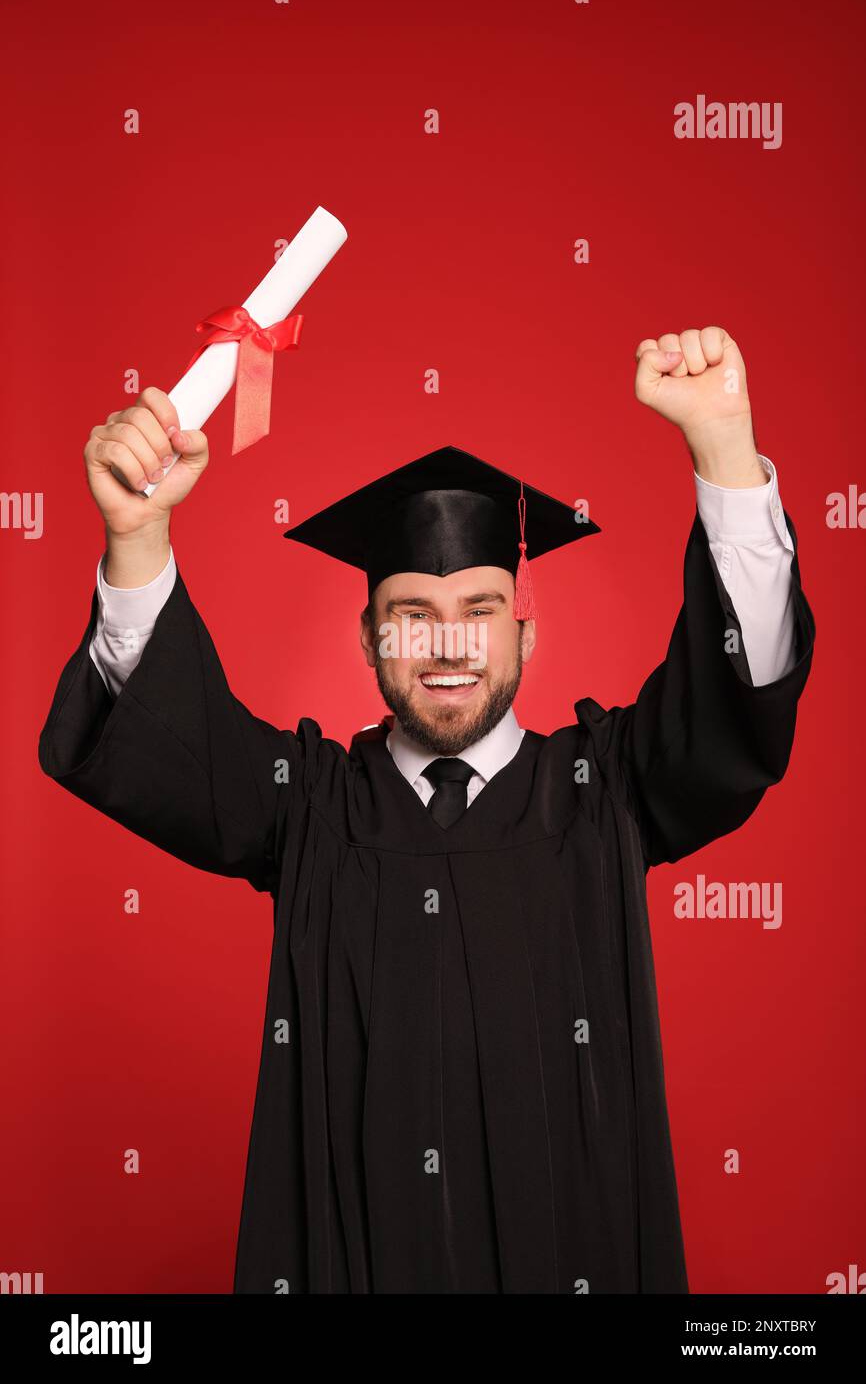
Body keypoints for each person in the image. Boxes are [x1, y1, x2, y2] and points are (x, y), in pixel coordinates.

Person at [38, 327, 815, 1293]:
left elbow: (736, 713)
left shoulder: (604, 792)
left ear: (524, 632)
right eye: (411, 615)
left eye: (481, 611)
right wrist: (137, 536)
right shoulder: (309, 808)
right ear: (368, 640)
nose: (448, 646)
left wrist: (726, 453)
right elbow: (174, 743)